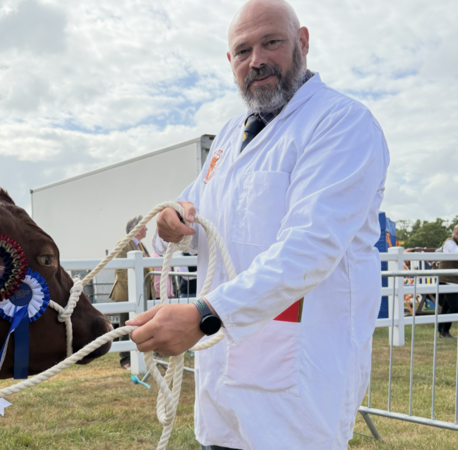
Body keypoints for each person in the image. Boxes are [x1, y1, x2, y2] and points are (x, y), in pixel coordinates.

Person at [127, 1, 390, 449]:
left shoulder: (341, 124)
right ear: (230, 62)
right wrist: (170, 222)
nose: (257, 60)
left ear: (302, 43)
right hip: (222, 385)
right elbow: (191, 210)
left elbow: (310, 249)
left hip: (298, 383)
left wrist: (204, 316)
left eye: (272, 43)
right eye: (243, 50)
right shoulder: (230, 137)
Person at [109, 215, 154, 370]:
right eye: (144, 226)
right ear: (137, 228)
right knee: (125, 327)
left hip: (140, 294)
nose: (147, 228)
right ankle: (125, 361)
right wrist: (134, 288)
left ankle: (140, 357)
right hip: (127, 294)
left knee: (139, 326)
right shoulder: (124, 243)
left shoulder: (140, 245)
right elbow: (120, 269)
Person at [438, 225, 458, 338]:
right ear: (456, 234)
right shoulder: (449, 243)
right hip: (447, 279)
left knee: (446, 306)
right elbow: (456, 252)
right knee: (455, 306)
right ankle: (444, 331)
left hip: (453, 280)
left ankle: (442, 330)